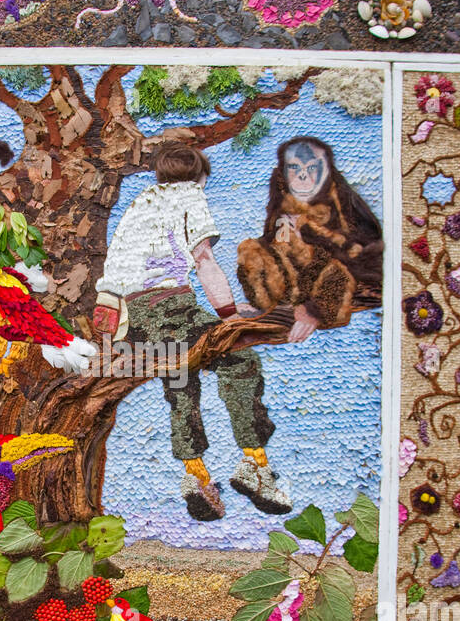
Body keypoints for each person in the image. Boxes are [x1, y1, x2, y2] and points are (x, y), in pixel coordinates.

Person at [93, 140, 293, 522]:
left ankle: (195, 476)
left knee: (181, 380)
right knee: (239, 360)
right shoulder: (190, 197)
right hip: (168, 304)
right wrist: (231, 316)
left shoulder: (141, 203)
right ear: (200, 178)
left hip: (129, 317)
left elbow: (118, 271)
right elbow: (203, 261)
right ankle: (255, 466)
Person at [236, 136, 383, 332]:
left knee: (336, 269)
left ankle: (313, 313)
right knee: (251, 251)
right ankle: (266, 306)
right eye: (295, 168)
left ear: (324, 170)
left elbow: (361, 251)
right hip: (293, 280)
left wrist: (306, 230)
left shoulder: (338, 197)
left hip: (334, 270)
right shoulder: (283, 195)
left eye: (311, 168)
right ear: (284, 172)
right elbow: (273, 242)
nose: (302, 177)